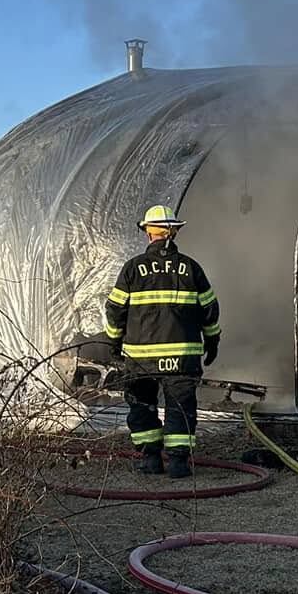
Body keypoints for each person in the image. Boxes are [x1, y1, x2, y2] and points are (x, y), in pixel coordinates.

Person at [103, 204, 221, 478]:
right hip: (181, 356)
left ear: (148, 233)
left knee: (142, 405)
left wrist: (114, 342)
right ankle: (178, 463)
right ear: (174, 232)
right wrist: (212, 340)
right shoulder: (191, 268)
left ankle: (150, 460)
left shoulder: (133, 268)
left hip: (140, 357)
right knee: (180, 407)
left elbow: (115, 309)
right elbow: (210, 309)